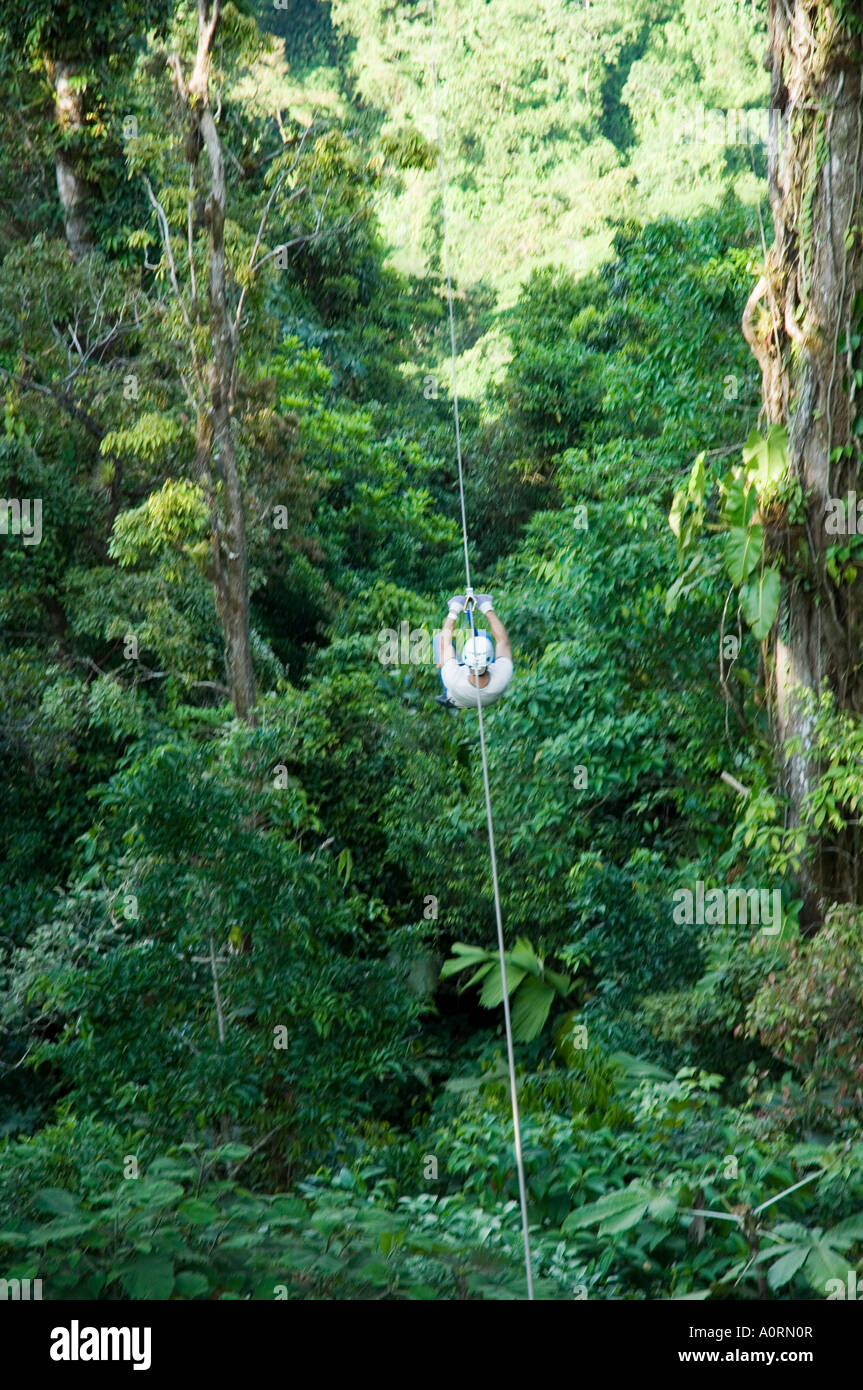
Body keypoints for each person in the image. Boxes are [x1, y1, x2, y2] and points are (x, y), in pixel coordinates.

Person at [436, 591, 513, 708]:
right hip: (489, 696)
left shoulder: (453, 678)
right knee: (482, 635)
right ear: (490, 658)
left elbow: (444, 643)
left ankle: (445, 695)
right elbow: (503, 642)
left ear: (465, 659)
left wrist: (454, 610)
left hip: (457, 698)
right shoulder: (502, 676)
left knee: (438, 639)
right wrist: (487, 608)